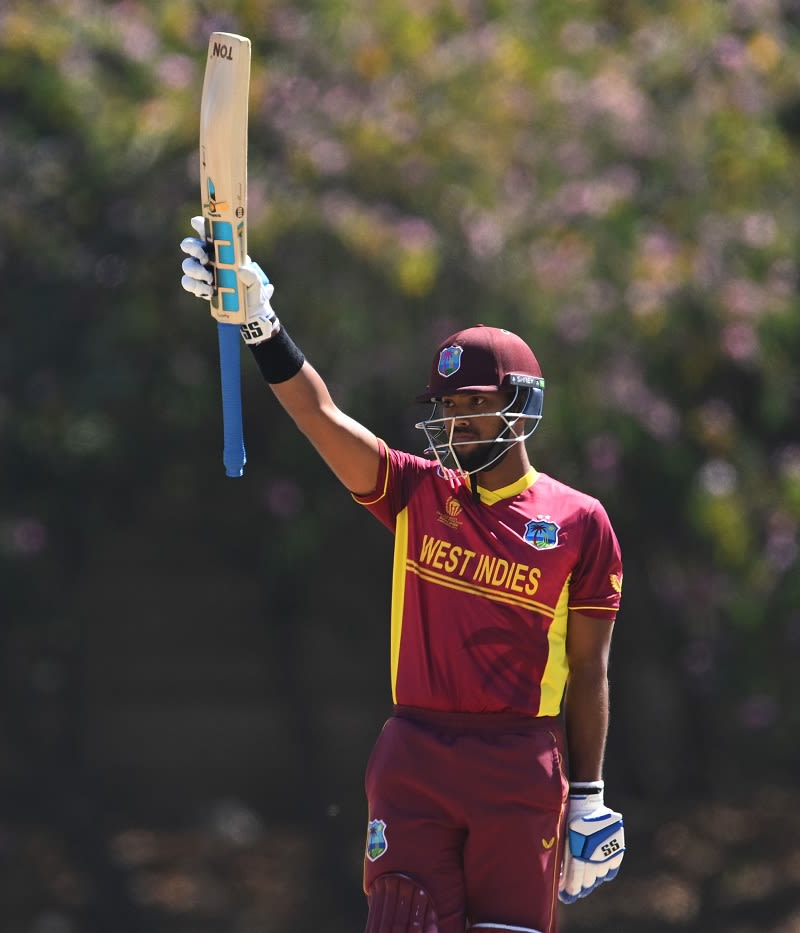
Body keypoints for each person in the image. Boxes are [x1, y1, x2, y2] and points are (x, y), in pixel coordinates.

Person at [181, 217, 625, 933]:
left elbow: (589, 666)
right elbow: (320, 415)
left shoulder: (580, 522)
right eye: (448, 407)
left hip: (520, 759)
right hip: (416, 756)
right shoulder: (418, 493)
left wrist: (589, 794)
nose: (457, 422)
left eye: (474, 404)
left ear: (520, 405)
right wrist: (261, 324)